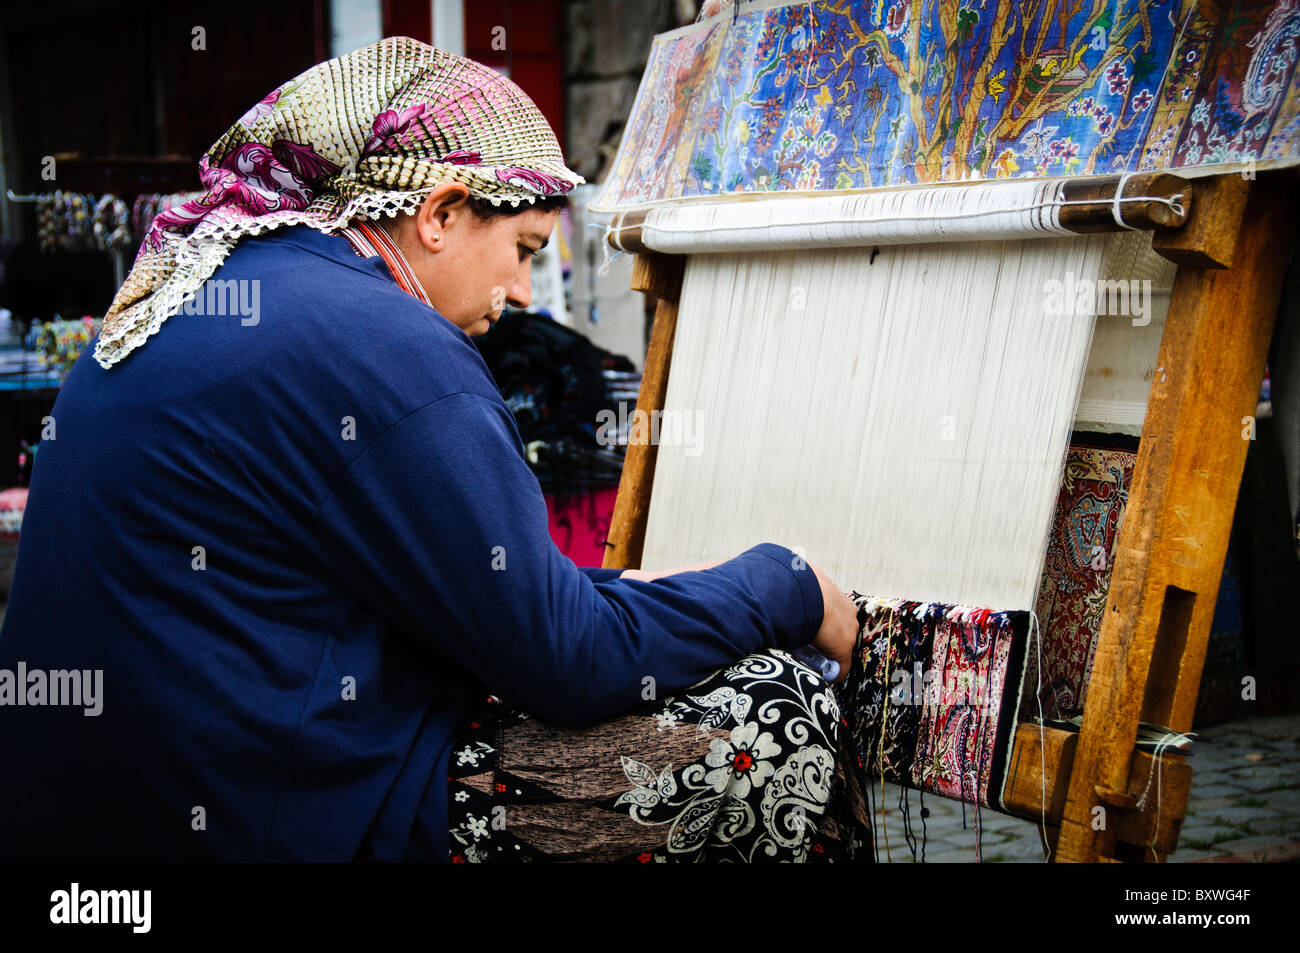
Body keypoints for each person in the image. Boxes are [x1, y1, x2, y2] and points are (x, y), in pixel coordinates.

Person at [0, 37, 866, 862]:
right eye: (523, 250)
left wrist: (604, 593)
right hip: (252, 815)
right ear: (441, 213)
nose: (524, 292)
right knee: (768, 717)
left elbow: (421, 575)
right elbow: (570, 662)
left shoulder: (217, 284)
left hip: (96, 814)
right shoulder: (388, 342)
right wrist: (782, 582)